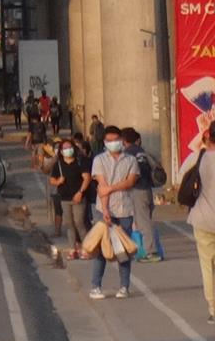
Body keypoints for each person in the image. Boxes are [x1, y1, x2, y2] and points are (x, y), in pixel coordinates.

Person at [88, 126, 139, 299]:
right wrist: (106, 210)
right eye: (109, 141)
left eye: (116, 140)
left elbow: (130, 182)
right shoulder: (99, 160)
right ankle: (96, 286)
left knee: (122, 250)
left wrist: (111, 188)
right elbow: (102, 187)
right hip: (104, 209)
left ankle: (124, 286)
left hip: (125, 209)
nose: (113, 143)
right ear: (104, 142)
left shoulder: (130, 160)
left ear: (121, 140)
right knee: (101, 249)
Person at [184, 113, 215, 324]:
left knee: (208, 265)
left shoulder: (200, 157)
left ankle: (213, 308)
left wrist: (200, 133)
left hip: (204, 219)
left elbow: (183, 177)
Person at [124, 127, 163, 262]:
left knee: (143, 223)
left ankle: (151, 252)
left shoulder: (127, 154)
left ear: (124, 140)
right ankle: (148, 249)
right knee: (146, 220)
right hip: (147, 189)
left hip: (137, 190)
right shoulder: (142, 152)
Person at [48, 137, 91, 260]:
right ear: (61, 151)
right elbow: (52, 180)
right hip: (64, 198)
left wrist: (80, 192)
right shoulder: (58, 165)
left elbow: (87, 178)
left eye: (70, 147)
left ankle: (86, 248)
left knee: (79, 222)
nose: (68, 150)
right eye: (65, 148)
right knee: (70, 224)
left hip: (78, 197)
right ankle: (73, 249)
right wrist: (58, 181)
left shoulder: (79, 162)